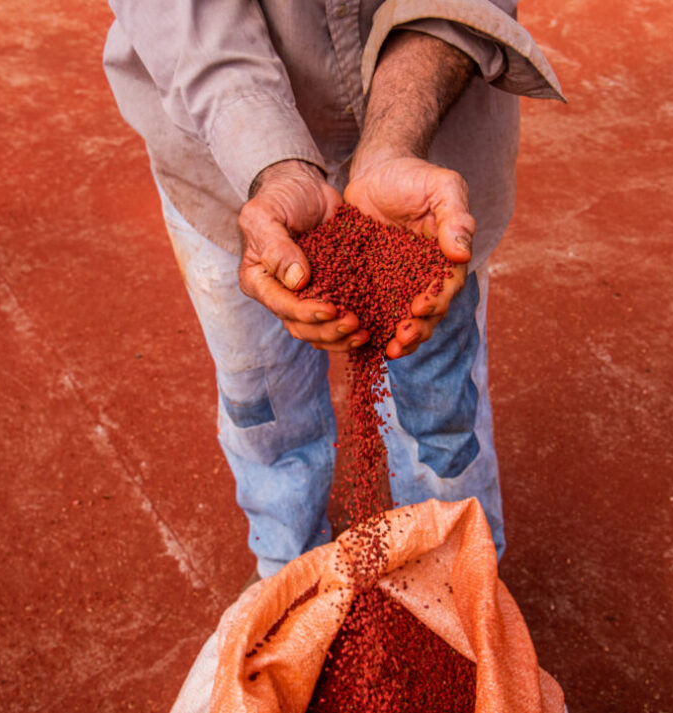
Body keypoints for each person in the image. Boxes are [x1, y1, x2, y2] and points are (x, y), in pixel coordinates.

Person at [103, 0, 564, 578]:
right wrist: (275, 166)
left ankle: (457, 583)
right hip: (225, 157)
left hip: (428, 156)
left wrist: (393, 141)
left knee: (441, 406)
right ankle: (286, 571)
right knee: (264, 404)